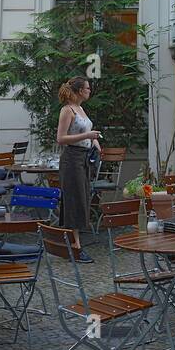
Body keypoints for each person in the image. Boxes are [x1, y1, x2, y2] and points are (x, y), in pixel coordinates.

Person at [55, 76, 101, 262]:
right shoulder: (67, 110)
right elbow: (60, 138)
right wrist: (88, 135)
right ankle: (75, 246)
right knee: (74, 199)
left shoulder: (81, 109)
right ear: (79, 91)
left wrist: (94, 140)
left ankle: (71, 243)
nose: (89, 91)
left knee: (82, 198)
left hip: (83, 158)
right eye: (87, 88)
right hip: (72, 159)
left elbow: (84, 133)